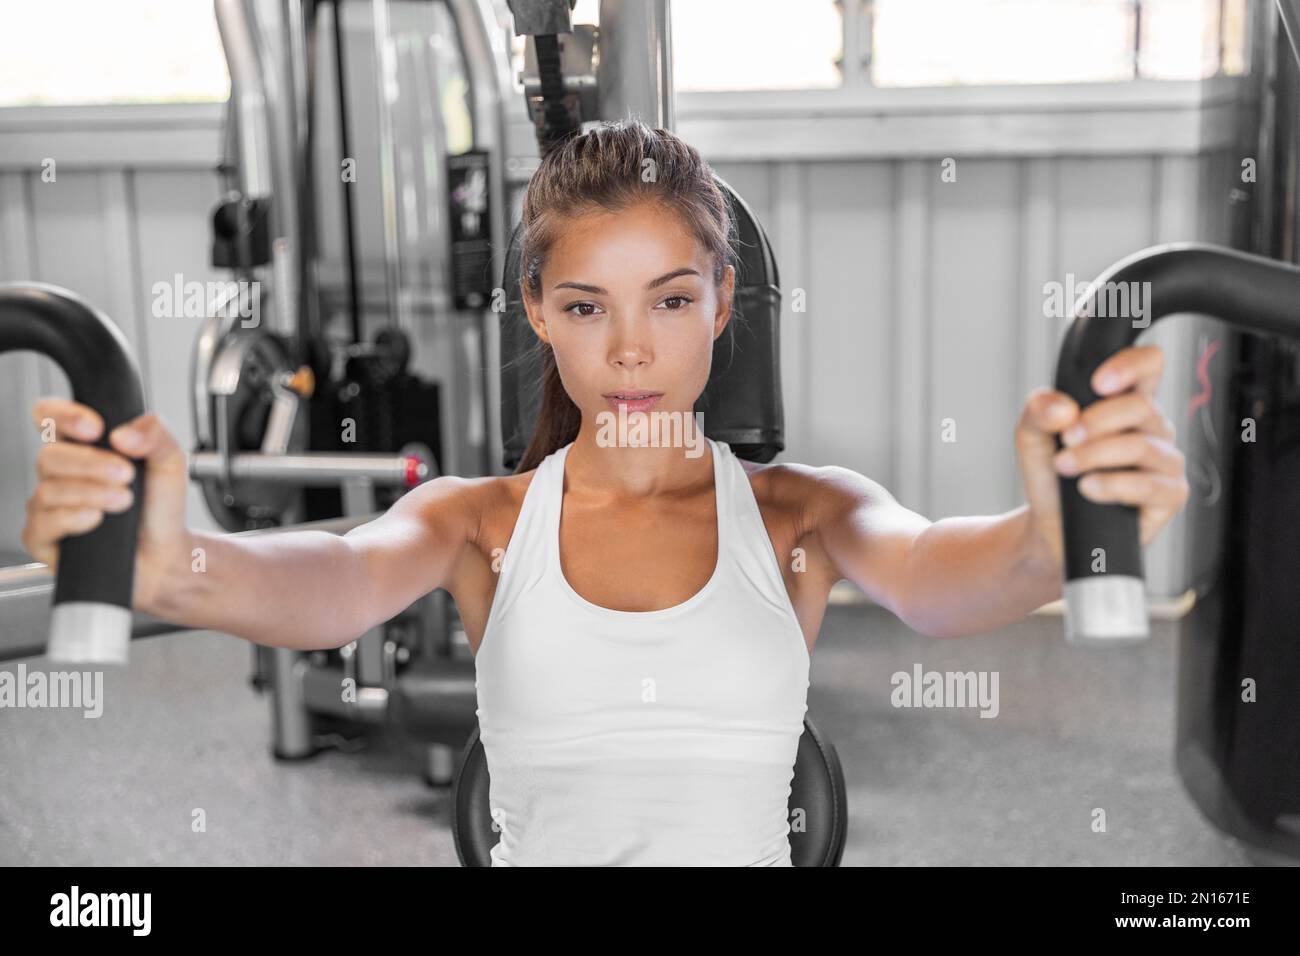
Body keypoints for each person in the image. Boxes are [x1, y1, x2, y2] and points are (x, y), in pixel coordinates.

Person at [21, 119, 1189, 866]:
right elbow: (331, 583)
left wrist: (1063, 535)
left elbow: (939, 573)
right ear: (537, 312)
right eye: (587, 306)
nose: (631, 350)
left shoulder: (800, 514)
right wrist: (172, 563)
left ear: (722, 304)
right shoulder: (479, 521)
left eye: (670, 300)